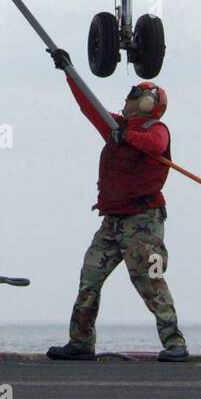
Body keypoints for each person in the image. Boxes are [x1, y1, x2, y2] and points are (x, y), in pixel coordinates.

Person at [46, 51, 189, 362]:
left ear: (149, 103)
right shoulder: (116, 127)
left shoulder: (156, 129)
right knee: (90, 277)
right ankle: (81, 342)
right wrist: (69, 72)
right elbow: (89, 106)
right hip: (112, 221)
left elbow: (154, 145)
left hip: (143, 222)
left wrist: (127, 134)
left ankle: (174, 342)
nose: (128, 99)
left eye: (134, 95)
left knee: (149, 280)